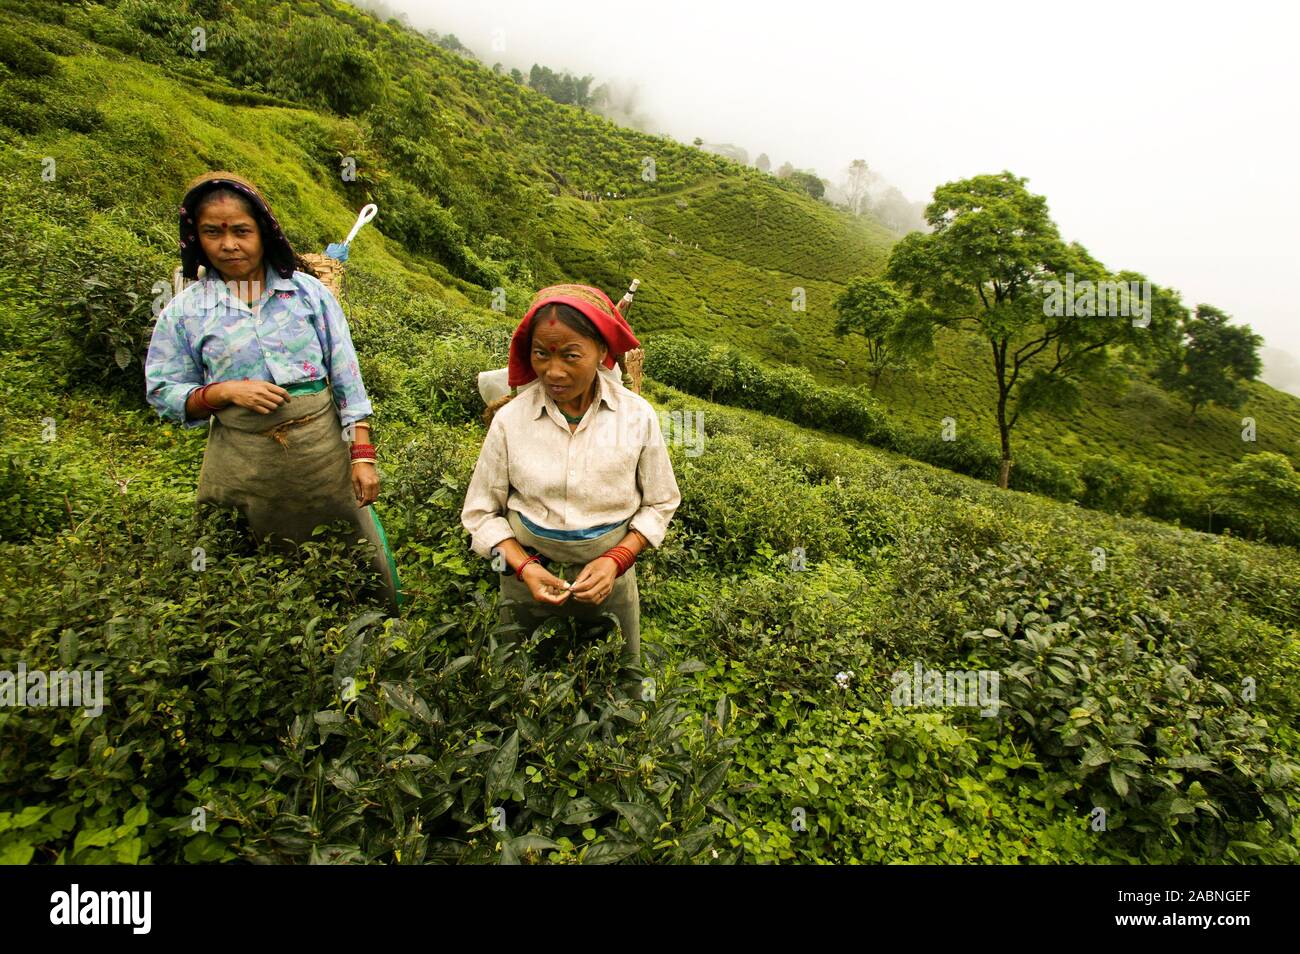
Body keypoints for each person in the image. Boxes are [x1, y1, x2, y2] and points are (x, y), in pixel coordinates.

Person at [144, 170, 400, 613]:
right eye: (213, 232)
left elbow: (346, 379)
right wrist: (222, 393)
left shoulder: (309, 295)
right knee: (250, 568)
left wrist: (362, 456)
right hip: (244, 463)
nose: (229, 244)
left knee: (351, 552)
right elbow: (163, 389)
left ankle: (373, 630)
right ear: (196, 239)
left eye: (241, 230)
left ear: (263, 231)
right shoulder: (185, 312)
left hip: (322, 458)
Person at [460, 283, 681, 673]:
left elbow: (661, 501)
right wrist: (525, 567)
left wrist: (618, 558)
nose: (553, 371)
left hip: (610, 579)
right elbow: (480, 512)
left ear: (601, 352)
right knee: (512, 670)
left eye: (571, 355)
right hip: (525, 572)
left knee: (615, 672)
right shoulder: (511, 421)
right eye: (541, 354)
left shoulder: (636, 417)